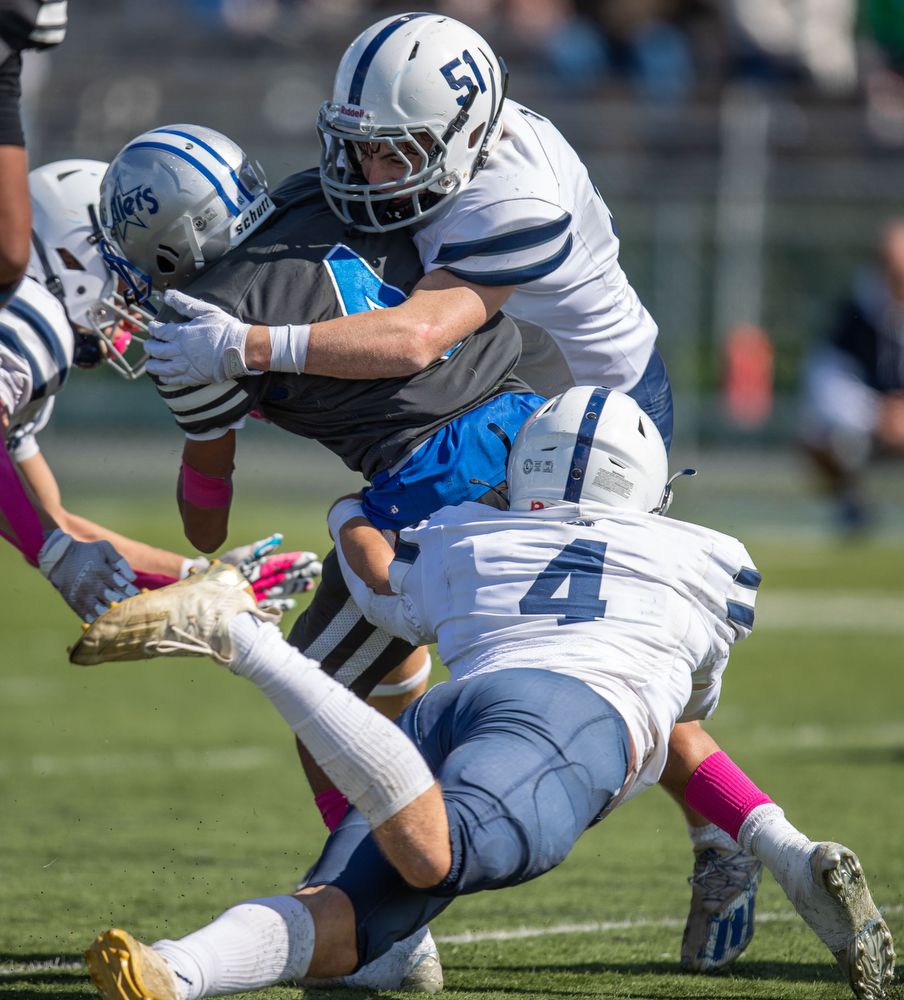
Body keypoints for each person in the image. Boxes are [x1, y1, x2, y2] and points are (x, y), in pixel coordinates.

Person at [74, 388, 895, 1000]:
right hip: (563, 722)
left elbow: (378, 584)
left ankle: (174, 970)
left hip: (446, 719)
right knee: (435, 854)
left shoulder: (471, 532)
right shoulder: (707, 558)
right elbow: (688, 707)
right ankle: (242, 637)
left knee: (347, 917)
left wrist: (350, 510)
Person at [97, 122, 543, 724]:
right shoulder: (318, 189)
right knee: (621, 674)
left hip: (438, 483)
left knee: (311, 695)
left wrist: (196, 406)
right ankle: (715, 819)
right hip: (544, 423)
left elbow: (206, 526)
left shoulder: (198, 319)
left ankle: (389, 819)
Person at [1, 157, 318, 620]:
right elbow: (52, 542)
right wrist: (53, 550)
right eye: (121, 264)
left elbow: (54, 525)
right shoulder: (32, 314)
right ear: (70, 256)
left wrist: (197, 577)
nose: (134, 293)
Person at [800, 219, 904, 532]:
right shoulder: (857, 315)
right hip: (875, 425)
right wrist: (878, 414)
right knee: (814, 437)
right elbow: (825, 380)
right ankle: (852, 507)